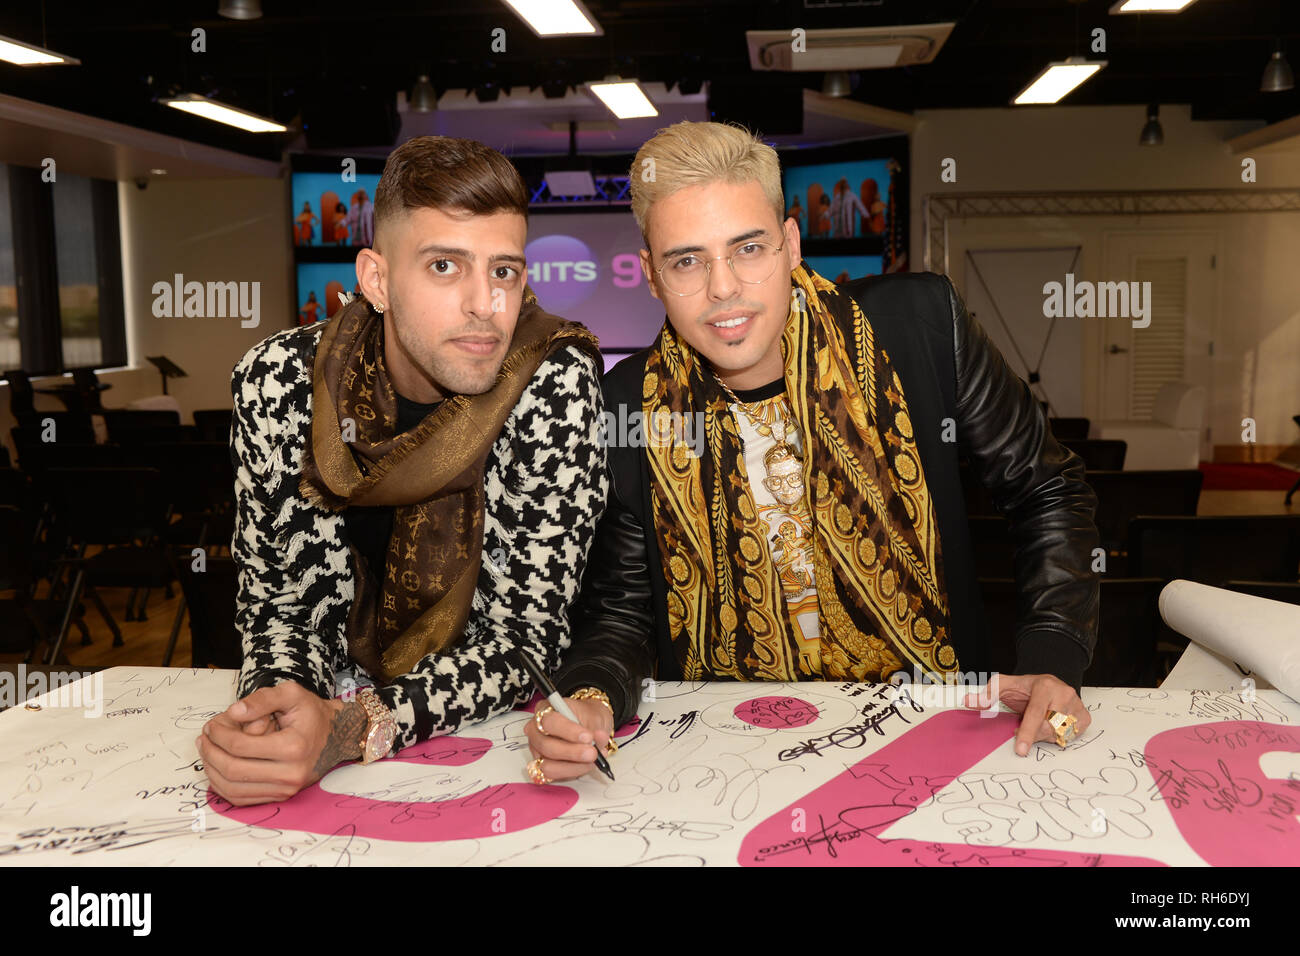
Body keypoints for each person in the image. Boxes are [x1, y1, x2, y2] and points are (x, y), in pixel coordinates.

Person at [524, 120, 1100, 783]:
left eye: (748, 248)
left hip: (936, 738)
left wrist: (1054, 654)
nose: (723, 288)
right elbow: (624, 613)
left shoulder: (919, 328)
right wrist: (590, 697)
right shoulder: (626, 403)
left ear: (791, 244)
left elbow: (1047, 490)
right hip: (730, 762)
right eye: (687, 260)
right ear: (650, 276)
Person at [199, 135, 611, 806]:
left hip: (487, 749)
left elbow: (527, 638)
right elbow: (280, 605)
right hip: (332, 718)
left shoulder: (552, 380)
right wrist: (279, 711)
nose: (487, 304)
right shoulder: (278, 383)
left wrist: (350, 728)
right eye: (446, 266)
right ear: (378, 280)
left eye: (504, 271)